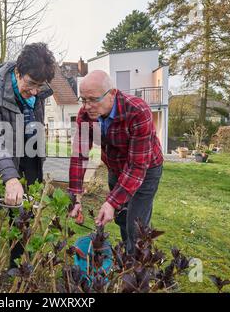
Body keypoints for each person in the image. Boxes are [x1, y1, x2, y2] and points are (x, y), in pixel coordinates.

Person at [68, 70, 164, 255]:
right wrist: (75, 196)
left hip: (146, 168)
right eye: (83, 100)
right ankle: (128, 259)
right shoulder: (86, 114)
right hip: (116, 167)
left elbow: (137, 166)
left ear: (112, 93)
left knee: (136, 225)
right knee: (122, 218)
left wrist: (111, 202)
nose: (87, 106)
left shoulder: (137, 111)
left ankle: (139, 273)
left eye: (93, 99)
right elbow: (79, 155)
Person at [0, 42, 56, 268]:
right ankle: (16, 268)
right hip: (7, 157)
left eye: (39, 86)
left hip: (30, 156)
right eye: (30, 84)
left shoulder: (38, 93)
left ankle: (25, 260)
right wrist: (10, 178)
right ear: (17, 72)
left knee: (27, 211)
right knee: (14, 212)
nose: (34, 91)